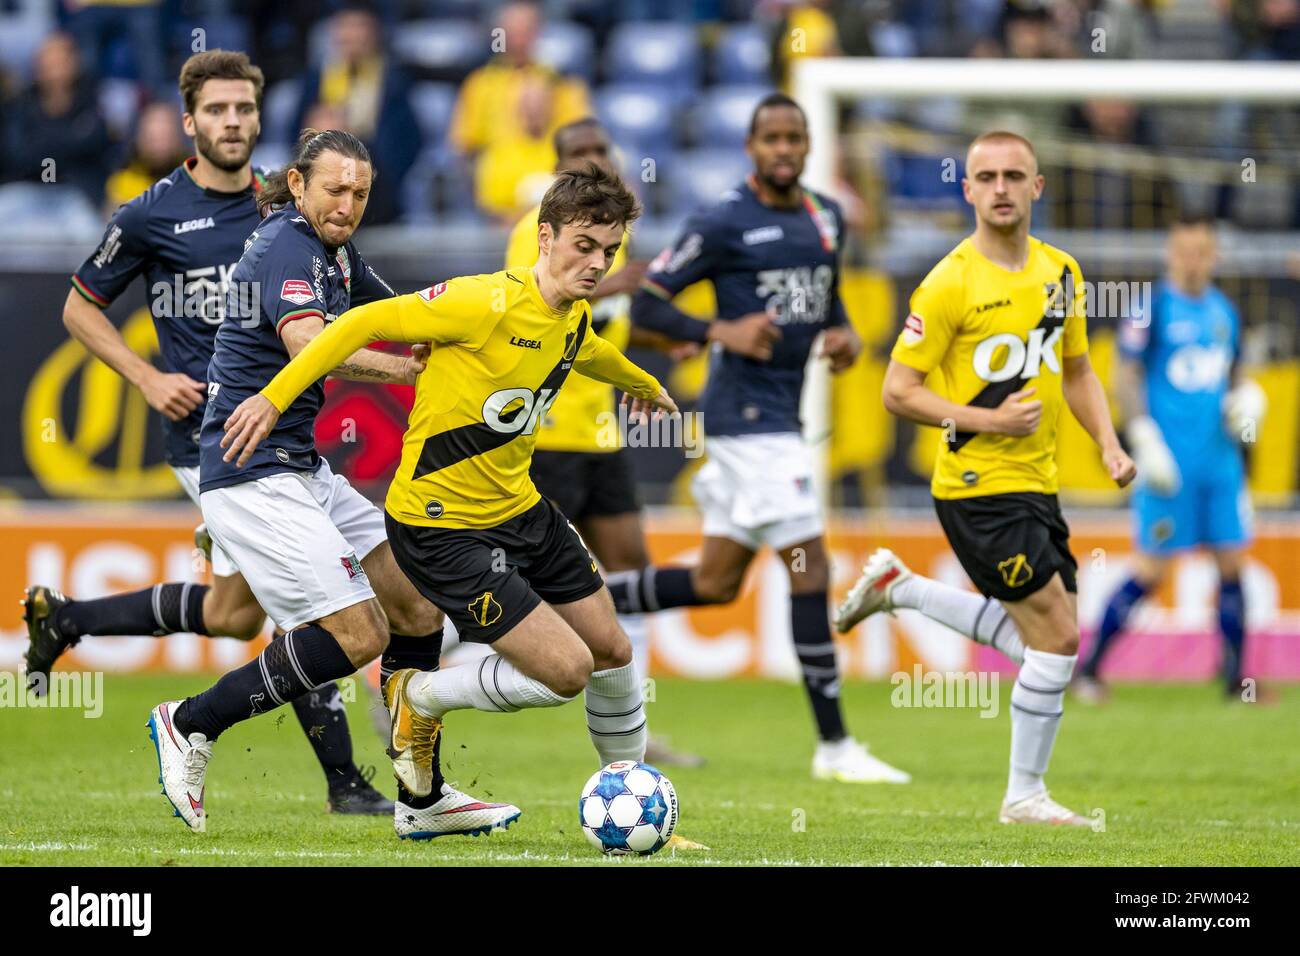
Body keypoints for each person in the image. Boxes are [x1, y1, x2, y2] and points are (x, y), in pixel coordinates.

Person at [218, 165, 685, 829]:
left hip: (520, 510)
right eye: (584, 245)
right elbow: (359, 324)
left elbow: (587, 351)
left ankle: (636, 804)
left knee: (613, 651)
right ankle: (424, 695)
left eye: (608, 252)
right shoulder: (482, 302)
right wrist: (273, 395)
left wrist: (642, 383)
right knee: (570, 670)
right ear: (545, 237)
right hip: (441, 526)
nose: (596, 263)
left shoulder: (573, 317)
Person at [21, 50, 389, 816]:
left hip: (281, 438)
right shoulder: (152, 212)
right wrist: (147, 377)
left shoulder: (289, 209)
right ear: (189, 123)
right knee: (311, 610)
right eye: (217, 111)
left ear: (261, 119)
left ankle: (70, 617)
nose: (233, 122)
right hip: (211, 439)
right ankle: (346, 783)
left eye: (244, 110)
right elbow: (79, 307)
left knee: (233, 615)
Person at [147, 127, 517, 839]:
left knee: (414, 608)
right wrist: (411, 370)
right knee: (356, 633)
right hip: (250, 475)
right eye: (334, 189)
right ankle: (189, 721)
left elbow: (409, 313)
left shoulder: (333, 249)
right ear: (296, 185)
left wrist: (479, 332)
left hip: (300, 470)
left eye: (360, 193)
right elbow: (314, 347)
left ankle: (422, 795)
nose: (348, 204)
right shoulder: (286, 244)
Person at [606, 93, 910, 785]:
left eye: (794, 138)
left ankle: (581, 594)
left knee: (715, 582)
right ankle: (834, 746)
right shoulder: (722, 220)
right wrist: (720, 331)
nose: (783, 149)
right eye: (771, 137)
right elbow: (647, 299)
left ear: (808, 147)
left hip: (785, 419)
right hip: (747, 421)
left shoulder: (826, 218)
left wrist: (843, 335)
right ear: (751, 146)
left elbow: (826, 302)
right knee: (812, 567)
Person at [837, 130, 1137, 825]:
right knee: (1060, 639)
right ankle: (1024, 797)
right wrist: (987, 421)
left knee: (1045, 639)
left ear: (1037, 187)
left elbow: (1080, 370)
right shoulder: (948, 283)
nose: (1000, 188)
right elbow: (897, 391)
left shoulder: (1062, 271)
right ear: (967, 190)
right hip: (976, 486)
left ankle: (900, 589)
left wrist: (1111, 446)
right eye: (986, 177)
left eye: (1014, 175)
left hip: (1039, 482)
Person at [505, 117, 704, 768]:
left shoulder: (616, 244)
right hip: (545, 435)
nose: (593, 162)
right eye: (577, 155)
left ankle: (636, 726)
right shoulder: (532, 234)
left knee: (629, 571)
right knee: (508, 579)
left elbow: (604, 329)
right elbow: (534, 311)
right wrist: (620, 277)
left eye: (600, 152)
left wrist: (663, 340)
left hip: (601, 434)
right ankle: (419, 663)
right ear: (558, 168)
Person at [1075, 214, 1265, 702]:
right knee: (1151, 570)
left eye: (1202, 252)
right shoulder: (1151, 307)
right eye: (1184, 251)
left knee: (1232, 563)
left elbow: (1235, 374)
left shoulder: (1224, 311)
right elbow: (1127, 374)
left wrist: (1248, 398)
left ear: (1214, 255)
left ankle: (1235, 681)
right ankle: (1090, 670)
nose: (1193, 261)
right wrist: (1142, 436)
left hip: (1219, 463)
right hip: (1168, 466)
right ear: (1169, 252)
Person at [450, 1, 591, 219]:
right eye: (511, 33)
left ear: (538, 33)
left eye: (526, 31)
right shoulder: (479, 84)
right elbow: (464, 148)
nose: (518, 40)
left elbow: (584, 146)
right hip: (496, 201)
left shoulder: (563, 84)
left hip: (558, 201)